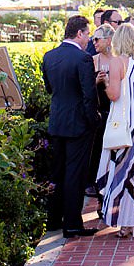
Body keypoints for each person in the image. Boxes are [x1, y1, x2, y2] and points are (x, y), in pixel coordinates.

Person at [41, 15, 99, 237]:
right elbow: (88, 96)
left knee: (57, 172)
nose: (89, 40)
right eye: (87, 34)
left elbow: (49, 89)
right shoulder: (83, 59)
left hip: (57, 121)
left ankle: (53, 219)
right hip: (78, 125)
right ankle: (73, 224)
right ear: (79, 34)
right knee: (75, 174)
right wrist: (93, 120)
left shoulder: (49, 57)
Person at [97, 23, 134, 237]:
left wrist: (102, 83)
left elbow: (113, 95)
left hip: (125, 127)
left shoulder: (116, 62)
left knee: (122, 173)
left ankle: (125, 224)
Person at [86, 23, 116, 197]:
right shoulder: (93, 60)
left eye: (97, 39)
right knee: (96, 147)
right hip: (98, 109)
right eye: (92, 39)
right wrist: (96, 82)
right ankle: (93, 182)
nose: (94, 42)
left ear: (109, 40)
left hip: (114, 108)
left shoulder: (118, 60)